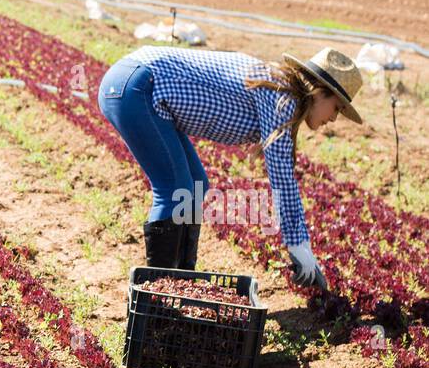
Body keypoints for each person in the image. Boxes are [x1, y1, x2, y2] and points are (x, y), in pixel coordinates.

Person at [97, 45, 364, 290]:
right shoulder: (283, 96)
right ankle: (158, 298)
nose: (334, 119)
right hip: (135, 87)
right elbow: (282, 177)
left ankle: (179, 284)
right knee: (175, 190)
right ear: (318, 92)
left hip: (136, 85)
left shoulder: (279, 89)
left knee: (196, 186)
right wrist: (299, 246)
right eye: (336, 108)